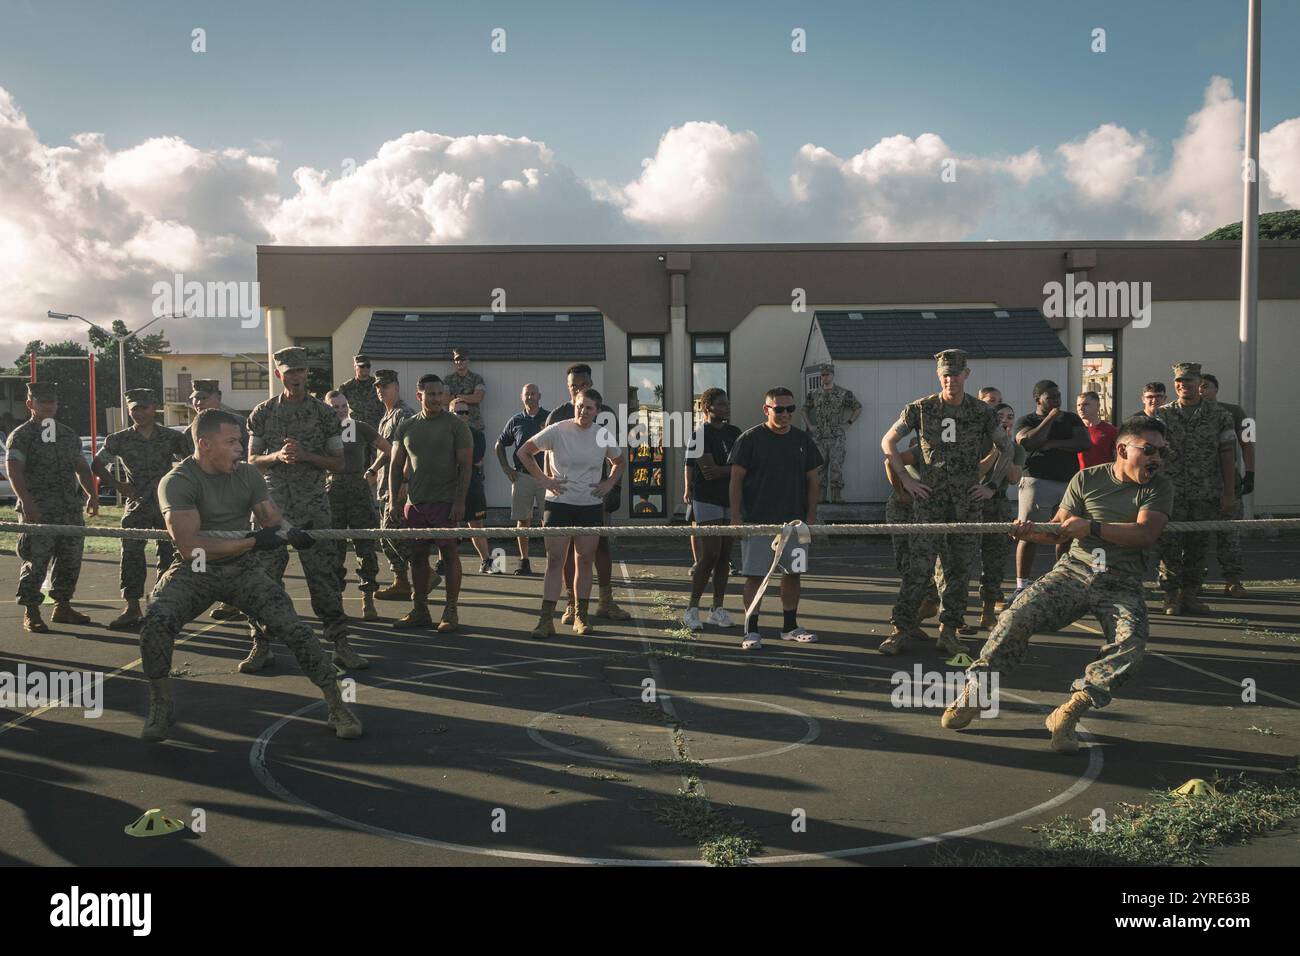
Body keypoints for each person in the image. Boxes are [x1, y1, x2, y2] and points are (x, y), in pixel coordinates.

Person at [941, 415, 1173, 754]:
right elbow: (1058, 531)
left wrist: (1092, 527)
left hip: (1120, 581)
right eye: (1149, 450)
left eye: (1162, 451)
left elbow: (1145, 533)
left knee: (1132, 644)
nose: (1157, 459)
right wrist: (1028, 532)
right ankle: (977, 691)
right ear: (1123, 449)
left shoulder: (1159, 486)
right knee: (1015, 614)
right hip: (1075, 571)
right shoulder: (1087, 479)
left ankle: (1071, 709)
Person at [139, 409, 362, 742]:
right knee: (156, 621)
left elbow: (271, 518)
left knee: (295, 629)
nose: (240, 448)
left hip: (242, 569)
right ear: (204, 444)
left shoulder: (247, 474)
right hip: (197, 569)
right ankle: (161, 704)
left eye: (240, 441)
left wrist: (291, 531)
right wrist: (254, 541)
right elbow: (190, 547)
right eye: (231, 441)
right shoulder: (177, 481)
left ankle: (337, 704)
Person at [879, 350, 1009, 657]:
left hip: (966, 504)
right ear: (939, 376)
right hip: (930, 502)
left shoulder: (982, 411)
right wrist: (905, 480)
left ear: (967, 374)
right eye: (946, 374)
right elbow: (888, 442)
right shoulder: (921, 409)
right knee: (919, 568)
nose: (951, 380)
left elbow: (1007, 447)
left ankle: (949, 631)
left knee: (960, 570)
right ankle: (901, 629)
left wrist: (991, 486)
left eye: (956, 374)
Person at [244, 347, 367, 672]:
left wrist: (307, 456)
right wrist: (277, 456)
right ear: (278, 374)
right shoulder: (263, 413)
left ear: (307, 373)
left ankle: (341, 645)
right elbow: (252, 462)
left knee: (324, 579)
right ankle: (261, 645)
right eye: (289, 372)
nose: (296, 377)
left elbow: (340, 464)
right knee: (263, 581)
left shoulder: (325, 414)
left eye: (300, 371)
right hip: (272, 510)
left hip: (313, 509)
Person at [519, 388, 625, 638]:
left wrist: (609, 484)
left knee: (585, 561)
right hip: (558, 504)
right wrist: (545, 480)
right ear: (574, 405)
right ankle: (546, 620)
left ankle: (581, 616)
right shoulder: (557, 429)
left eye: (589, 408)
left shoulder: (602, 434)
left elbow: (620, 462)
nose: (583, 411)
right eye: (579, 406)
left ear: (597, 411)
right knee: (555, 560)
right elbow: (524, 452)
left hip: (589, 506)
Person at [728, 386, 822, 650]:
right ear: (766, 409)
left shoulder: (803, 441)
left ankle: (790, 627)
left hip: (795, 524)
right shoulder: (749, 439)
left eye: (790, 409)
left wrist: (810, 518)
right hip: (758, 521)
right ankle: (751, 631)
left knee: (793, 574)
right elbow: (736, 480)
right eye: (779, 409)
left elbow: (814, 481)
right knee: (755, 576)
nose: (785, 414)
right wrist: (735, 518)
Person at [92, 388, 193, 630]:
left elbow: (190, 463)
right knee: (131, 555)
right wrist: (118, 486)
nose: (139, 413)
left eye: (144, 408)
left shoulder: (171, 437)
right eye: (134, 408)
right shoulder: (119, 439)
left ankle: (162, 604)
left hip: (166, 504)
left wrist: (181, 486)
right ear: (128, 411)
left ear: (154, 408)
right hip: (136, 505)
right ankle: (132, 607)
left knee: (169, 555)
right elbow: (96, 464)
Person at [7, 381, 99, 632]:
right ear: (30, 404)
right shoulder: (22, 435)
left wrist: (92, 495)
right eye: (42, 402)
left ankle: (63, 606)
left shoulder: (68, 434)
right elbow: (14, 471)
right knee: (36, 561)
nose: (48, 406)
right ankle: (31, 611)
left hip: (69, 509)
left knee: (70, 560)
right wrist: (27, 502)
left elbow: (82, 468)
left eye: (52, 402)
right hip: (39, 510)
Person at [545, 364, 632, 622]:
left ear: (591, 385)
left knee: (600, 547)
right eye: (573, 386)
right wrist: (551, 483)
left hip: (595, 494)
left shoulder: (606, 413)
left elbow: (616, 455)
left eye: (583, 385)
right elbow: (547, 454)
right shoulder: (558, 415)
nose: (578, 390)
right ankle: (572, 604)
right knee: (567, 550)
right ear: (568, 387)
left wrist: (612, 486)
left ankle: (606, 601)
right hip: (564, 496)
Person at [388, 374, 473, 630]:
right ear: (419, 396)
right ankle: (420, 609)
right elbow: (395, 466)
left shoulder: (456, 425)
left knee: (449, 554)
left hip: (446, 503)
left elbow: (466, 466)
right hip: (415, 503)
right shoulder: (406, 426)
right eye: (431, 394)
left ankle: (451, 611)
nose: (437, 399)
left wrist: (459, 501)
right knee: (417, 556)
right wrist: (393, 501)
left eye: (440, 394)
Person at [1154, 362, 1237, 616]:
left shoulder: (1220, 416)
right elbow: (1152, 453)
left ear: (1199, 384)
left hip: (1206, 492)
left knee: (1198, 547)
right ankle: (1171, 596)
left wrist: (1229, 493)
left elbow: (1228, 455)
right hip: (1171, 493)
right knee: (1169, 546)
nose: (1183, 385)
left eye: (1188, 381)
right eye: (1179, 381)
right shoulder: (1162, 416)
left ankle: (1190, 595)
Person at [1012, 380, 1089, 602]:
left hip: (1068, 483)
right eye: (1051, 397)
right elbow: (1029, 442)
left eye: (1058, 396)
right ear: (1038, 399)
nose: (1057, 401)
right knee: (1029, 532)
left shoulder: (1071, 419)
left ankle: (1060, 580)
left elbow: (1084, 443)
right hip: (1037, 481)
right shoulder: (1026, 420)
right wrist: (1050, 418)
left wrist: (1053, 444)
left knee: (1064, 533)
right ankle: (1021, 585)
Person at [325, 390, 390, 621]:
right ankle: (336, 602)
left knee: (365, 546)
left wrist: (373, 470)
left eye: (344, 406)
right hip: (332, 492)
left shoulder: (358, 427)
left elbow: (388, 448)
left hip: (359, 491)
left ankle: (368, 599)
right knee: (335, 550)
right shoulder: (321, 431)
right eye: (335, 407)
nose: (341, 410)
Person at [191, 378, 249, 622]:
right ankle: (201, 592)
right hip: (203, 497)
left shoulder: (237, 424)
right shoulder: (193, 428)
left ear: (218, 397)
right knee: (204, 545)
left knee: (234, 546)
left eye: (203, 397)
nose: (198, 402)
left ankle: (234, 600)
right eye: (195, 398)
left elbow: (245, 458)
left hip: (231, 493)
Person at [682, 388, 741, 631]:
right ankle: (691, 609)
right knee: (710, 555)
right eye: (722, 404)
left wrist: (730, 470)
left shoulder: (734, 432)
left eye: (728, 403)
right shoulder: (699, 436)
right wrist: (735, 470)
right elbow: (710, 472)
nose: (727, 407)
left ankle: (717, 609)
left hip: (729, 499)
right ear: (708, 408)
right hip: (707, 499)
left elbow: (742, 466)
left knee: (725, 556)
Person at [1200, 372, 1255, 597]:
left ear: (1216, 389)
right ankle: (1194, 582)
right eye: (1198, 386)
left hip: (1227, 483)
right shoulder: (1184, 414)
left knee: (1229, 535)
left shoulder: (1235, 412)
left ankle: (1233, 580)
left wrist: (1250, 473)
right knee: (1195, 537)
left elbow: (1248, 442)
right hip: (1196, 485)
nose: (1201, 390)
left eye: (1206, 386)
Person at [972, 403, 1025, 627]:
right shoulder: (977, 442)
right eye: (1000, 416)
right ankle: (954, 617)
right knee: (961, 560)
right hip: (972, 504)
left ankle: (987, 613)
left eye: (1010, 417)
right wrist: (995, 449)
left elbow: (1013, 478)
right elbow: (977, 472)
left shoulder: (1018, 449)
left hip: (998, 506)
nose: (1005, 420)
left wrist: (1007, 448)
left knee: (994, 561)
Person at [367, 369, 418, 601]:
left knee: (393, 533)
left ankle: (421, 574)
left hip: (398, 485)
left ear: (396, 387)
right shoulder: (386, 415)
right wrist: (374, 471)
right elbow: (385, 449)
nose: (380, 390)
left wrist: (404, 481)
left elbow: (409, 450)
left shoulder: (403, 413)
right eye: (378, 387)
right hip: (385, 484)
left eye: (384, 386)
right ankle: (402, 581)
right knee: (388, 535)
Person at [496, 384, 550, 575]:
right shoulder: (516, 421)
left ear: (539, 396)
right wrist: (506, 468)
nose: (530, 397)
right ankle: (524, 560)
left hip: (546, 477)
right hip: (523, 477)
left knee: (548, 521)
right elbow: (499, 444)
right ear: (522, 397)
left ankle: (552, 560)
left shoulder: (549, 418)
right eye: (527, 394)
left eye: (533, 394)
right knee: (523, 520)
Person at [802, 363, 862, 503]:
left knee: (836, 466)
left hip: (836, 437)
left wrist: (849, 422)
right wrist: (810, 425)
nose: (824, 377)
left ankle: (836, 497)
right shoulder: (815, 394)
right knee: (819, 468)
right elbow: (804, 409)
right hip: (820, 437)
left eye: (827, 374)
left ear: (832, 375)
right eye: (822, 375)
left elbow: (858, 407)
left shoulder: (843, 393)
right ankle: (820, 497)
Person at [449, 397, 493, 572]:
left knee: (476, 526)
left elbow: (474, 458)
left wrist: (457, 459)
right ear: (450, 414)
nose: (463, 415)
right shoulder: (443, 435)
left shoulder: (477, 435)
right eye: (459, 412)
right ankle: (444, 562)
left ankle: (487, 561)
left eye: (466, 412)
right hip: (448, 485)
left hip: (472, 486)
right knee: (446, 527)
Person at [443, 348, 487, 433]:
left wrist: (456, 396)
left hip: (473, 424)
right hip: (453, 425)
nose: (459, 362)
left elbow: (477, 398)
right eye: (457, 360)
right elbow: (444, 399)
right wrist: (468, 397)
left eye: (462, 359)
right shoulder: (448, 380)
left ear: (468, 361)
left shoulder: (476, 378)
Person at [336, 354, 384, 430]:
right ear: (355, 367)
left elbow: (388, 403)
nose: (365, 368)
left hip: (375, 429)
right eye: (362, 366)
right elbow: (336, 405)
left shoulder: (378, 385)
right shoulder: (346, 387)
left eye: (368, 366)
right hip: (355, 429)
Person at [1075, 391, 1118, 469]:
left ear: (1098, 406)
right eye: (1078, 405)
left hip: (1102, 474)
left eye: (1085, 404)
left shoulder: (1111, 431)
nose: (1081, 408)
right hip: (1078, 475)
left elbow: (1117, 460)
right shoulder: (1073, 430)